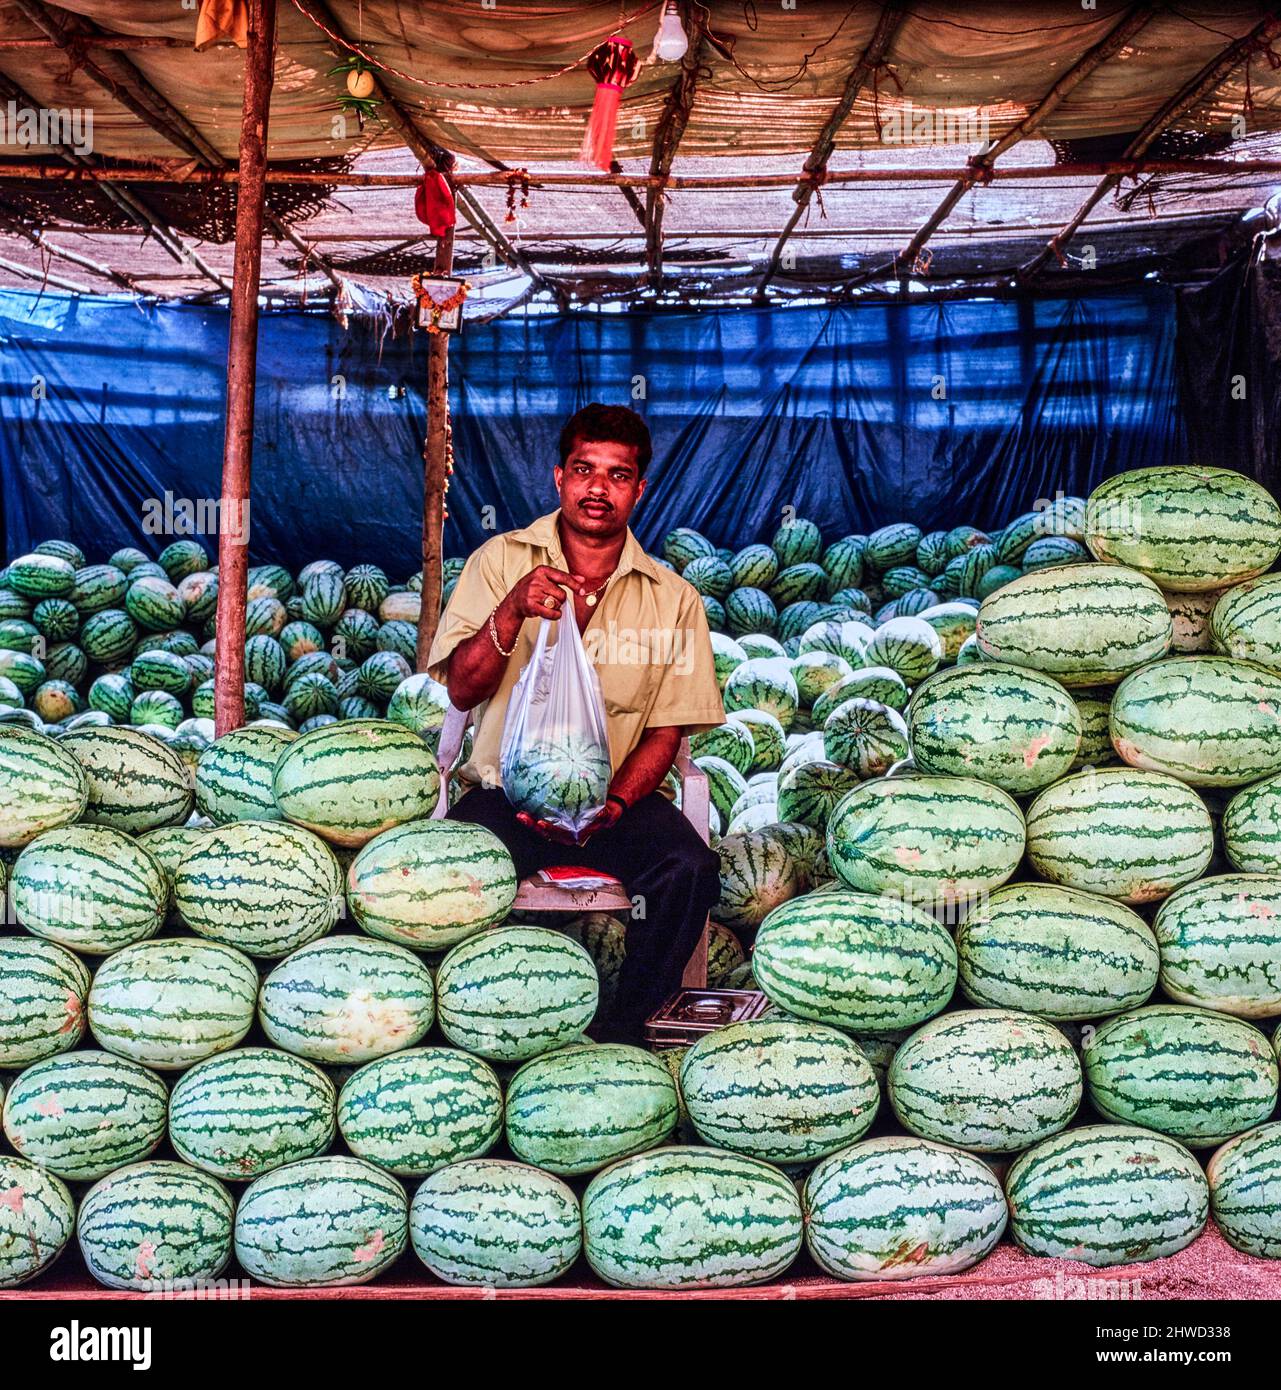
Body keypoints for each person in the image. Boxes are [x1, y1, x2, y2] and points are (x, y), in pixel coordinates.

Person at [427, 402, 725, 1042]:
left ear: (639, 490)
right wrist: (511, 611)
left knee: (689, 871)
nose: (599, 489)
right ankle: (477, 1029)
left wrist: (612, 807)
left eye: (619, 476)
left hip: (615, 802)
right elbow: (461, 686)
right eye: (585, 470)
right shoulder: (498, 562)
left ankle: (625, 1031)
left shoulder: (673, 598)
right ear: (558, 477)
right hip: (506, 797)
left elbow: (666, 733)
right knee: (446, 874)